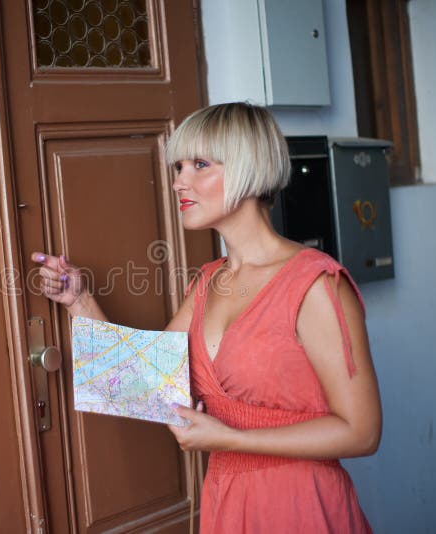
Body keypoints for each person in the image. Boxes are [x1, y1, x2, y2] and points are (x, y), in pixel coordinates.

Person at [31, 102, 381, 533]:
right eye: (178, 167)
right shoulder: (206, 284)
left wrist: (231, 439)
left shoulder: (314, 283)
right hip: (228, 504)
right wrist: (78, 301)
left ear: (249, 168)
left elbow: (362, 433)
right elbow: (143, 383)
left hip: (301, 505)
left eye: (199, 164)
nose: (179, 181)